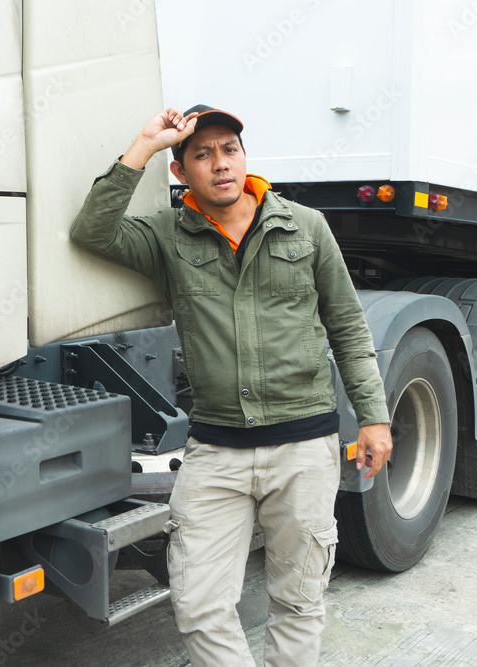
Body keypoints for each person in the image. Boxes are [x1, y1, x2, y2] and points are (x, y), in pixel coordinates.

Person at [70, 105, 393, 665]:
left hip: (303, 446)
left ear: (244, 157)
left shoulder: (305, 226)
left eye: (229, 150)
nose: (220, 164)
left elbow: (346, 324)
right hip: (216, 451)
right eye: (202, 154)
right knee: (198, 604)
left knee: (298, 601)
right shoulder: (168, 235)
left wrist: (374, 416)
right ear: (180, 172)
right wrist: (144, 144)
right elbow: (91, 231)